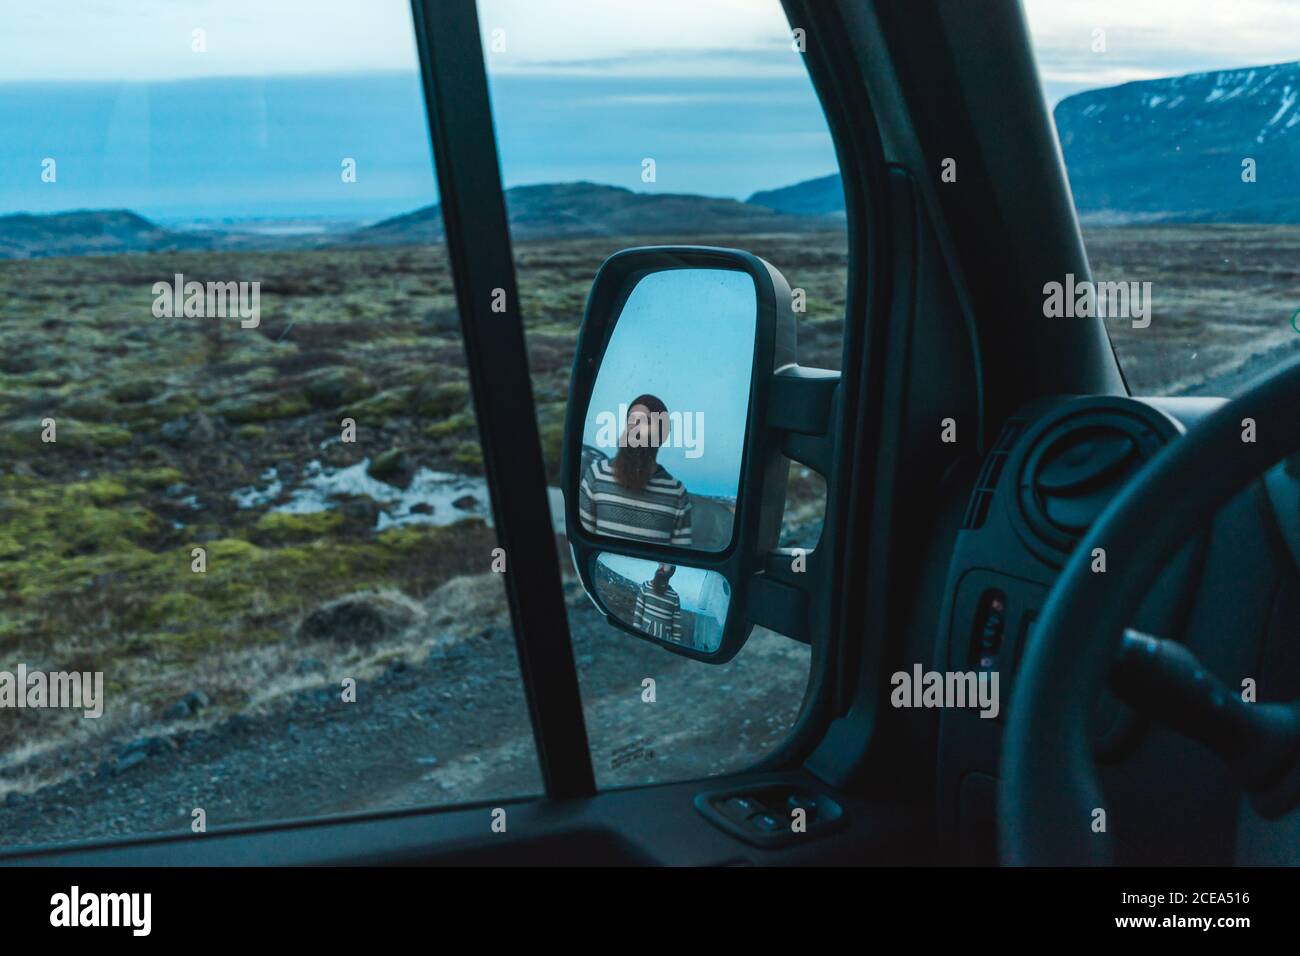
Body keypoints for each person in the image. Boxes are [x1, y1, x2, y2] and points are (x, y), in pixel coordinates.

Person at [578, 393, 692, 546]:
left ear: (662, 435)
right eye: (631, 420)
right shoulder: (596, 475)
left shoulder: (676, 493)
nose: (634, 428)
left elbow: (680, 557)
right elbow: (583, 545)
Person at [632, 564, 684, 644]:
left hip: (664, 647)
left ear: (672, 571)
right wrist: (636, 638)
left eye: (666, 564)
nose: (661, 566)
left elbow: (676, 627)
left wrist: (675, 647)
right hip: (643, 641)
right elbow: (638, 615)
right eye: (660, 563)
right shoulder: (645, 586)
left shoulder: (674, 597)